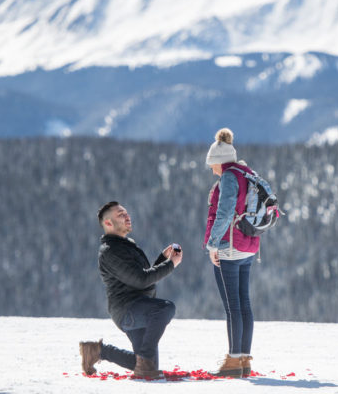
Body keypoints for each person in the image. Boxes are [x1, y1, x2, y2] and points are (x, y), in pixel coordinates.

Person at [79, 201, 182, 380]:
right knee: (165, 308)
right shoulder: (110, 251)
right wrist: (170, 265)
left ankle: (97, 351)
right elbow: (141, 280)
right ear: (108, 223)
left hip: (139, 307)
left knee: (146, 364)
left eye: (126, 213)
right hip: (128, 310)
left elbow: (142, 278)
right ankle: (144, 360)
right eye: (121, 214)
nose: (127, 216)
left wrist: (163, 259)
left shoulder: (125, 245)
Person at [204, 128, 259, 378]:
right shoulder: (246, 173)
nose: (212, 170)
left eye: (212, 165)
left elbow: (225, 213)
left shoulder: (228, 177)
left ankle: (233, 361)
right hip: (249, 246)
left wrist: (213, 244)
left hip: (230, 247)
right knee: (244, 304)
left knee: (232, 307)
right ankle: (244, 359)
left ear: (218, 161)